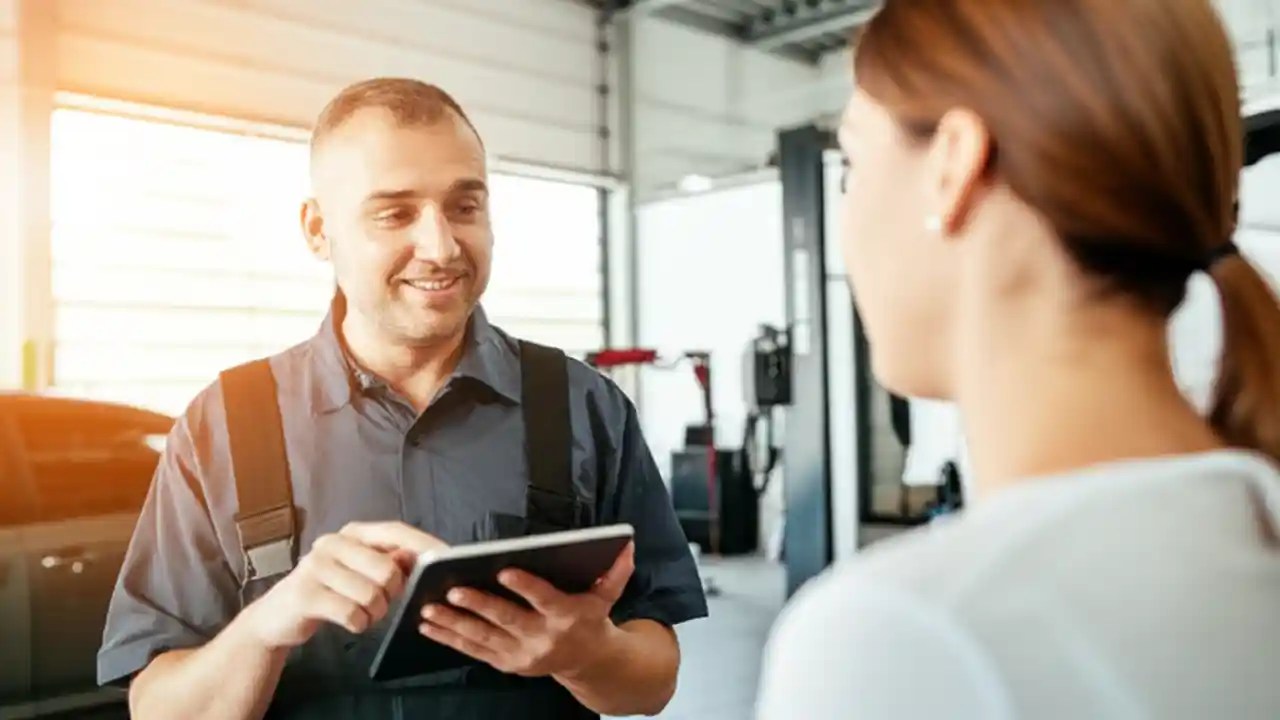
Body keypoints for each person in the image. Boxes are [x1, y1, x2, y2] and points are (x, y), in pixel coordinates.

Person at [98, 78, 707, 719]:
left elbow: (652, 685)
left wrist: (588, 654)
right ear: (318, 230)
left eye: (464, 207)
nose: (441, 247)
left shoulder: (585, 408)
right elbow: (158, 710)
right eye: (394, 214)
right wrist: (265, 627)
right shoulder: (224, 425)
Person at [757, 0, 1280, 717]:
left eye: (854, 164)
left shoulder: (904, 634)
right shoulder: (1253, 524)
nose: (849, 213)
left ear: (953, 165)